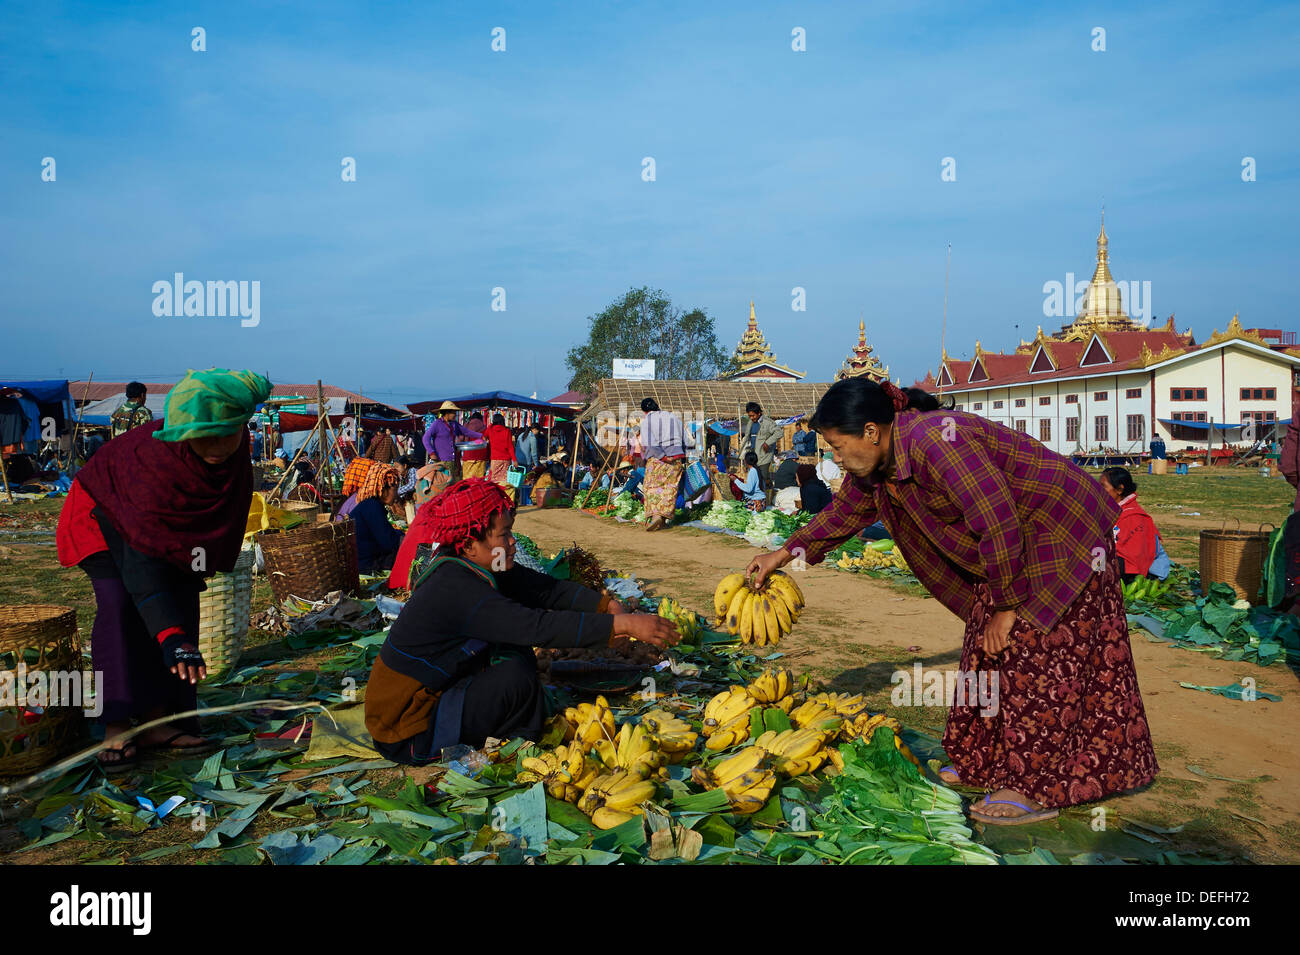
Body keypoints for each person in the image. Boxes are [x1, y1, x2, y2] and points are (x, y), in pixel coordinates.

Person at [746, 377, 1158, 825]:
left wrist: (1006, 607)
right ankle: (985, 759)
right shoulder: (879, 467)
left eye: (838, 446)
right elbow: (844, 513)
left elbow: (996, 520)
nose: (836, 458)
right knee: (985, 649)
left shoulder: (937, 442)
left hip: (1059, 535)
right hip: (1010, 548)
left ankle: (1036, 783)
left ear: (870, 430)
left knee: (1033, 655)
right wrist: (783, 554)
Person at [365, 479, 679, 762]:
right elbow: (535, 626)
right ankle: (515, 740)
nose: (513, 542)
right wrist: (622, 626)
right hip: (409, 728)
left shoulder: (475, 565)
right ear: (470, 544)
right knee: (517, 678)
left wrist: (606, 605)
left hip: (430, 698)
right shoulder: (456, 587)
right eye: (504, 534)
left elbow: (544, 589)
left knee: (515, 659)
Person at [56, 369, 271, 771]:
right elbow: (140, 562)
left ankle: (160, 720)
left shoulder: (236, 449)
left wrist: (180, 616)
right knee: (121, 605)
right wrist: (169, 635)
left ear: (243, 424)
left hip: (166, 528)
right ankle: (117, 724)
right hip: (100, 511)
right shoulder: (151, 463)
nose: (216, 446)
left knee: (180, 598)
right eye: (203, 436)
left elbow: (225, 509)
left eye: (226, 434)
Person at [1100, 467, 1169, 582]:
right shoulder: (1113, 510)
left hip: (1147, 571)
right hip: (1123, 560)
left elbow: (1135, 558)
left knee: (1095, 562)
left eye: (1103, 486)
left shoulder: (1133, 517)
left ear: (1119, 489)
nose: (1098, 490)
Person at [639, 398, 691, 532]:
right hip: (676, 459)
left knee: (651, 486)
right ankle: (662, 521)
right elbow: (686, 439)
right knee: (669, 489)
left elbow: (650, 444)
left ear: (645, 411)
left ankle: (656, 516)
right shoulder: (673, 417)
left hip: (658, 460)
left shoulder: (647, 422)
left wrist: (663, 456)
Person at [351, 463, 404, 572]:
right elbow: (389, 542)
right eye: (395, 489)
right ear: (385, 488)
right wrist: (402, 536)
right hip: (365, 566)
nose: (396, 495)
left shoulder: (370, 504)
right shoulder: (372, 506)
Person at [422, 401, 481, 481]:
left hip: (453, 461)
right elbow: (425, 438)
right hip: (442, 461)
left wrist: (481, 436)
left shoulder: (454, 424)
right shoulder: (437, 424)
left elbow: (466, 432)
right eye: (454, 412)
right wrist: (431, 452)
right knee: (444, 484)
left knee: (453, 484)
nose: (455, 414)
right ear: (447, 413)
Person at [739, 401, 780, 491]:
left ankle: (765, 494)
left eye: (753, 415)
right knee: (754, 476)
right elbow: (747, 437)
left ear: (759, 413)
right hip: (753, 454)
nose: (751, 418)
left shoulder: (768, 423)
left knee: (763, 476)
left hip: (764, 454)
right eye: (749, 416)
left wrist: (768, 443)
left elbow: (779, 432)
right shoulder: (750, 422)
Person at [483, 413, 518, 499]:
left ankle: (494, 498)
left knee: (494, 480)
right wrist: (514, 460)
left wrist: (492, 424)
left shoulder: (490, 430)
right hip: (506, 460)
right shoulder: (507, 431)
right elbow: (510, 447)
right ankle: (506, 498)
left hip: (495, 459)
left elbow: (484, 436)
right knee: (505, 481)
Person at [460, 414, 490, 479]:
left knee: (467, 480)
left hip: (468, 456)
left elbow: (460, 439)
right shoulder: (485, 428)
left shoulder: (466, 426)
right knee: (479, 481)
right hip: (481, 456)